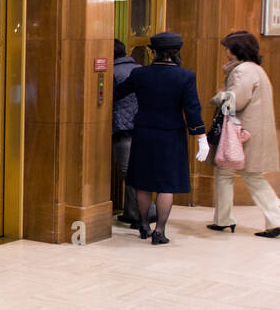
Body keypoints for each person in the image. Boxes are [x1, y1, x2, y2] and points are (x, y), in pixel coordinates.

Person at [113, 31, 208, 244]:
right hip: (171, 134)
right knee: (166, 183)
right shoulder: (185, 76)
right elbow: (192, 109)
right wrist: (201, 136)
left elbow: (117, 92)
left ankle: (144, 225)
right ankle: (160, 231)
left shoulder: (140, 74)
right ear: (176, 52)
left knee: (143, 181)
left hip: (144, 132)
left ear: (153, 51)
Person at [207, 30, 280, 238]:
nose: (225, 51)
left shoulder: (242, 71)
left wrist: (218, 96)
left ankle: (275, 220)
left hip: (241, 133)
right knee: (228, 173)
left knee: (248, 176)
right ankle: (223, 219)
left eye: (227, 47)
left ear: (236, 50)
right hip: (252, 130)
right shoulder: (256, 69)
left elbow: (235, 101)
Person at [111, 39, 155, 228]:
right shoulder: (140, 69)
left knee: (127, 171)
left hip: (123, 128)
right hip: (142, 127)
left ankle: (142, 211)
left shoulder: (112, 72)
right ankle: (132, 211)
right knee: (136, 169)